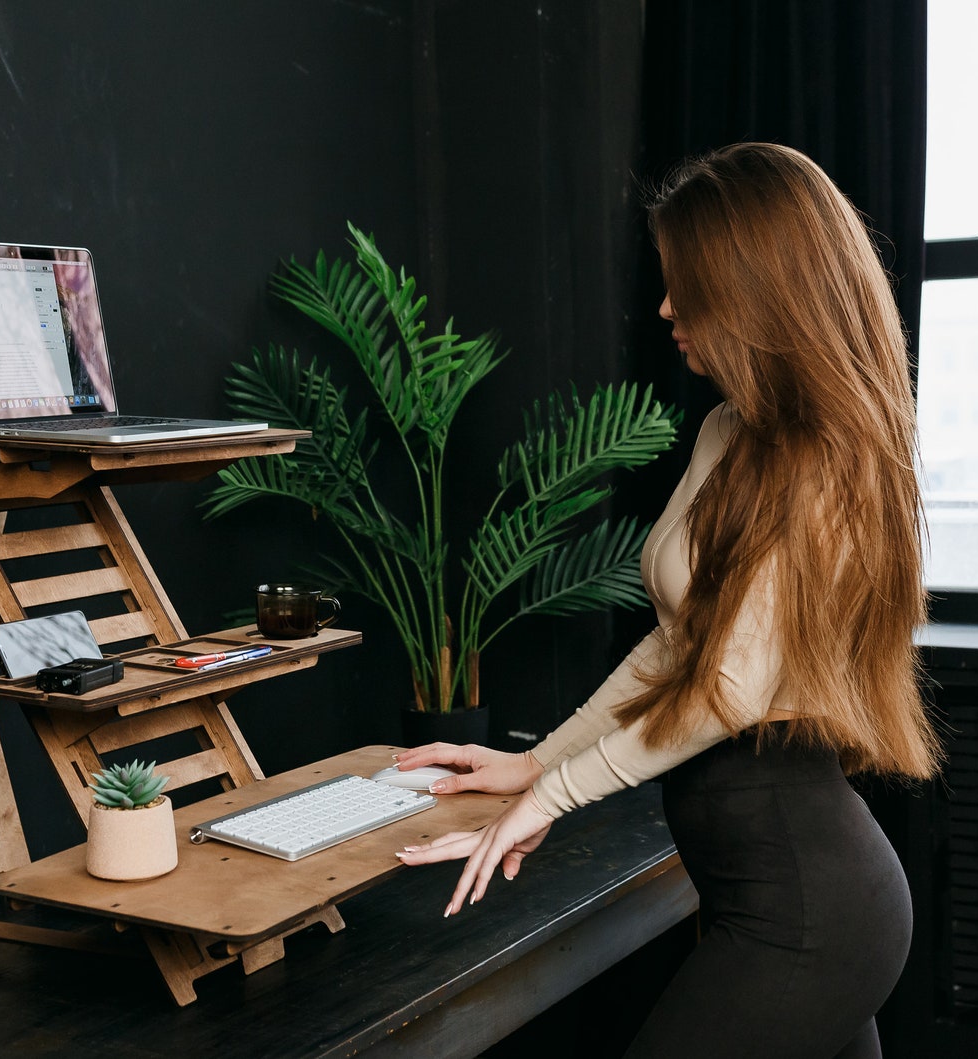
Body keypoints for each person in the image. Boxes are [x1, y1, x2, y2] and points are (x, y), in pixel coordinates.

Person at [393, 142, 941, 1059]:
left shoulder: (832, 464)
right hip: (764, 896)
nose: (665, 308)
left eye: (686, 284)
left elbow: (729, 686)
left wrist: (553, 797)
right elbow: (681, 644)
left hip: (810, 912)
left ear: (756, 290)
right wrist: (537, 764)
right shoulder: (731, 430)